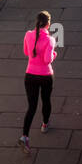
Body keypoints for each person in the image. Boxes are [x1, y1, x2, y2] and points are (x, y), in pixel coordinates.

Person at [19, 11, 58, 154]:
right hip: (45, 75)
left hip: (30, 75)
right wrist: (54, 54)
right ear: (48, 24)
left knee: (32, 106)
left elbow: (26, 52)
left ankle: (25, 136)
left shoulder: (28, 34)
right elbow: (47, 59)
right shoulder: (50, 40)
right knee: (46, 100)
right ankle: (44, 125)